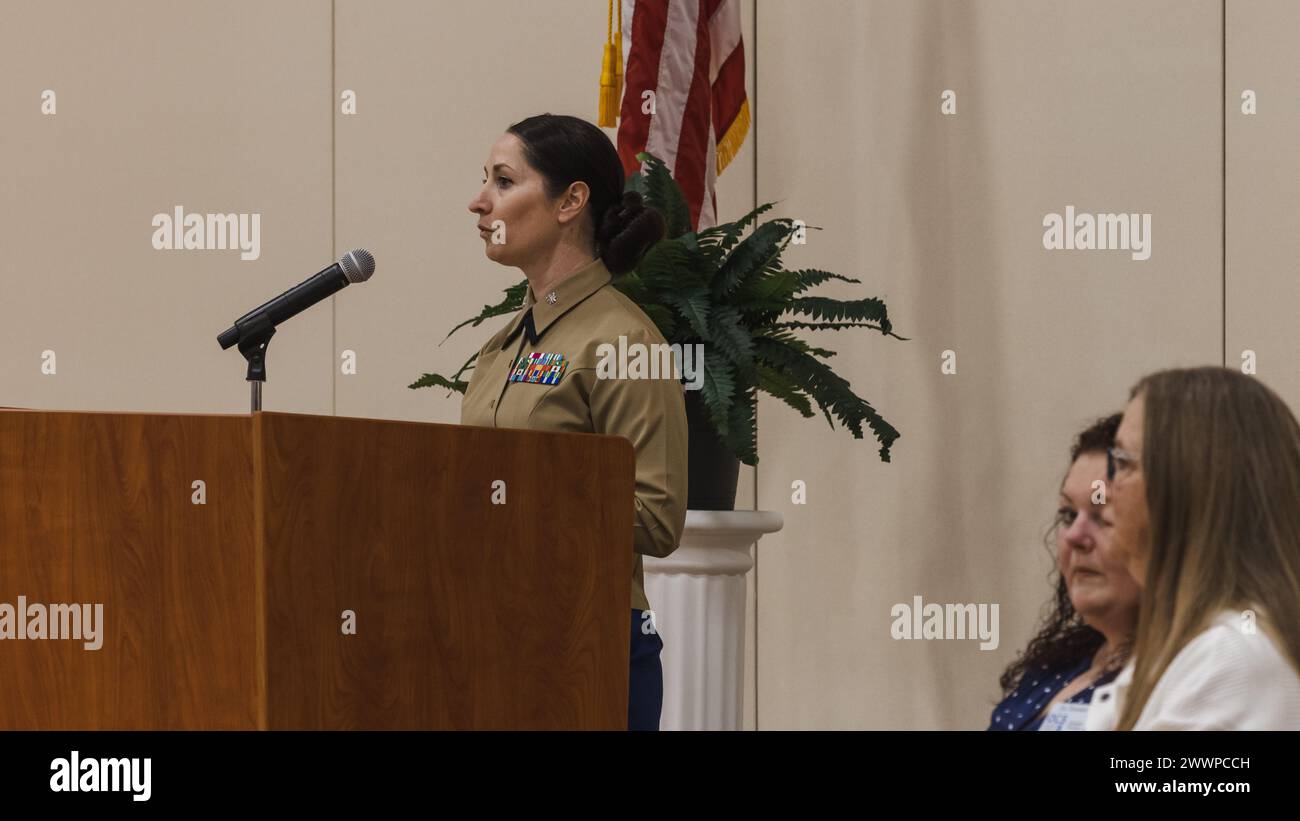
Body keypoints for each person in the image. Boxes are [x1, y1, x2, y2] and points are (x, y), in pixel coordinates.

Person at [459, 113, 688, 730]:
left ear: (571, 201)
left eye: (504, 182)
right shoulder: (502, 346)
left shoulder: (624, 340)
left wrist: (523, 497)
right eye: (484, 181)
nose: (479, 202)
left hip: (586, 645)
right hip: (493, 637)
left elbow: (658, 518)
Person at [1087, 367, 1300, 730]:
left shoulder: (1231, 658)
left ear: (1185, 490)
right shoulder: (1193, 647)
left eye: (1122, 464)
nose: (1105, 491)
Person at [989, 414, 1139, 730]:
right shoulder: (1060, 663)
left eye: (1104, 516)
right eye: (1069, 515)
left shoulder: (1182, 678)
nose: (1075, 536)